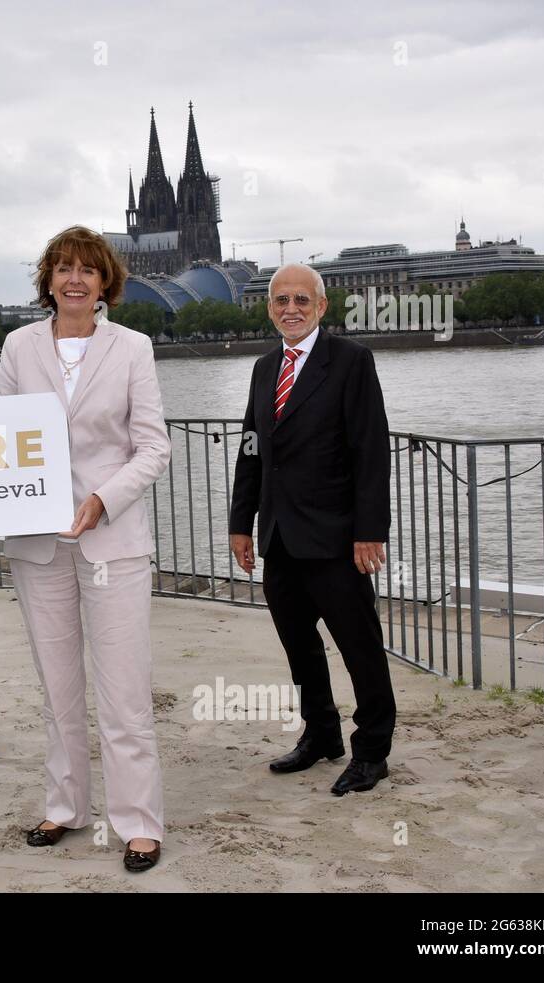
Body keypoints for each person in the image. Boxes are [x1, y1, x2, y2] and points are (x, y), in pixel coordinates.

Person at [0, 226, 171, 873]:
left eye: (87, 270)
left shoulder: (133, 349)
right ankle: (65, 805)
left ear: (105, 284)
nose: (74, 279)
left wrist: (101, 498)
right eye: (63, 268)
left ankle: (138, 821)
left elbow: (153, 446)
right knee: (58, 688)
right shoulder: (17, 347)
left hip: (111, 540)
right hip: (39, 545)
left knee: (124, 691)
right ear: (48, 279)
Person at [228, 262, 395, 796]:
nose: (291, 309)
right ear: (269, 307)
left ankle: (372, 749)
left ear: (322, 307)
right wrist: (240, 523)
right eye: (281, 301)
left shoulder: (351, 362)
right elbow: (252, 450)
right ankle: (322, 733)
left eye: (302, 300)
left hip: (337, 538)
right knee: (300, 646)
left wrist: (370, 531)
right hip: (279, 536)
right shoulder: (263, 368)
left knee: (359, 647)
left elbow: (371, 451)